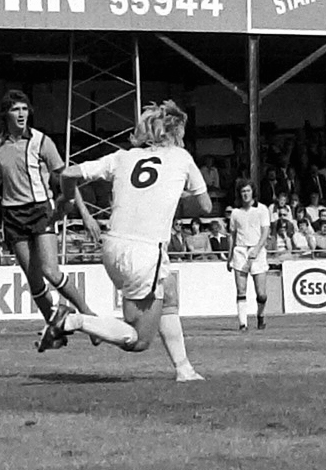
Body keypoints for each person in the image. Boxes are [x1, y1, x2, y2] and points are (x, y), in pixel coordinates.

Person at [41, 101, 212, 382]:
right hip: (145, 251)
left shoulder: (124, 157)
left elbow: (69, 173)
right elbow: (205, 206)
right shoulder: (181, 158)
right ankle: (72, 320)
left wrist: (67, 200)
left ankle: (184, 369)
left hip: (112, 246)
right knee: (139, 339)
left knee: (168, 292)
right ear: (175, 132)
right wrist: (176, 197)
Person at [0, 89, 94, 342]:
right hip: (12, 214)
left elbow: (67, 177)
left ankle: (88, 315)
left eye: (24, 109)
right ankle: (55, 330)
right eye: (15, 109)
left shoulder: (41, 142)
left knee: (50, 271)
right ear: (6, 114)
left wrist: (84, 214)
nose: (21, 114)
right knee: (34, 280)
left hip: (40, 209)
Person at [227, 178, 271, 331]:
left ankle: (260, 315)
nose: (245, 194)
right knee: (241, 289)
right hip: (240, 251)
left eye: (248, 191)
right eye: (243, 191)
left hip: (257, 251)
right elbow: (232, 235)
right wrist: (229, 257)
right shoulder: (235, 213)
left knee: (261, 294)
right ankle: (243, 324)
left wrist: (257, 249)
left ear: (253, 192)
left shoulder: (262, 209)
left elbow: (265, 232)